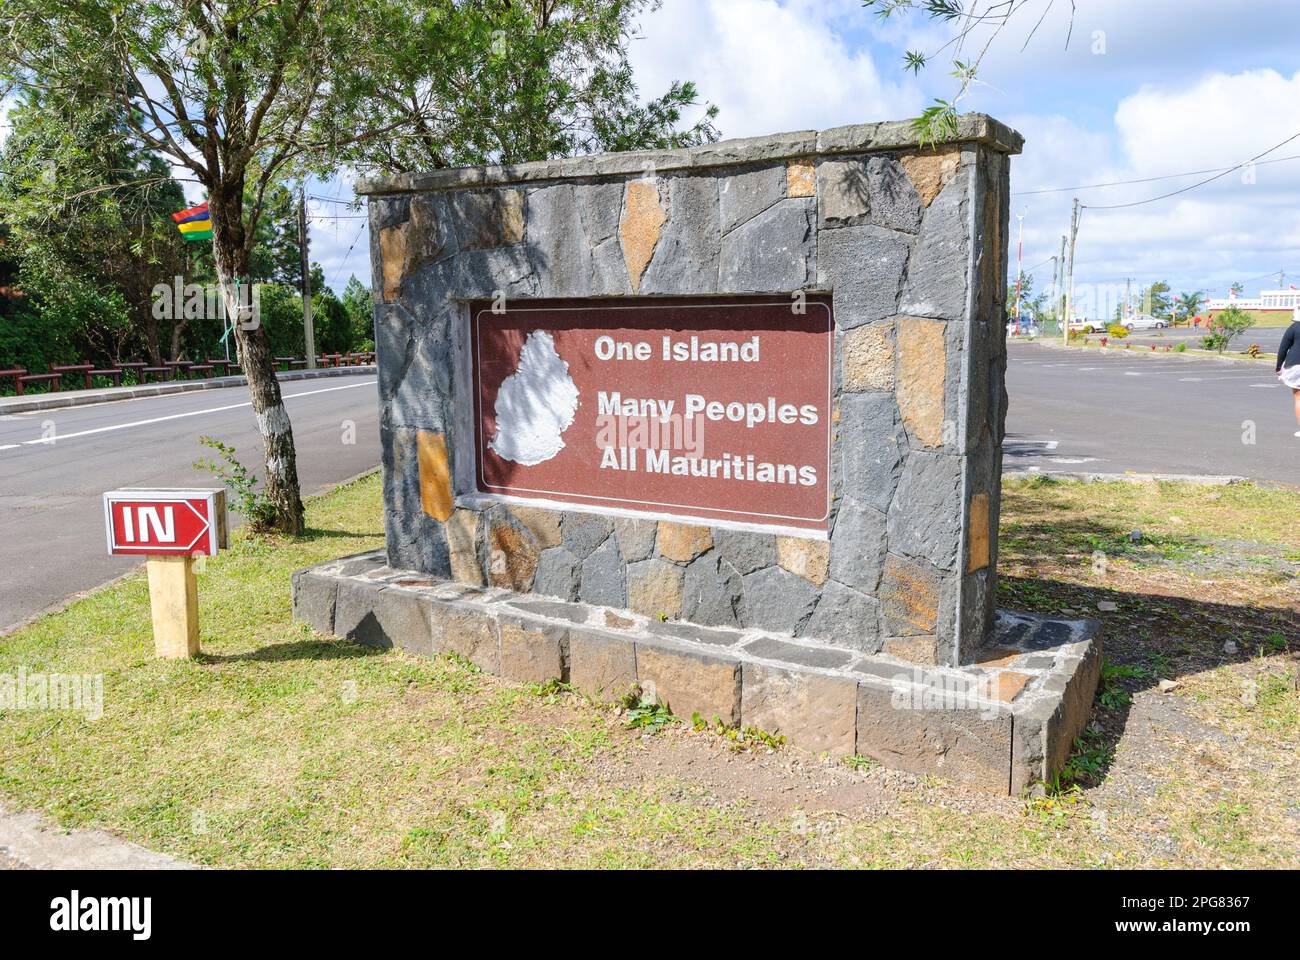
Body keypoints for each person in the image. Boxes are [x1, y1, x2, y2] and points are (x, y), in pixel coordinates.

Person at [1278, 308, 1300, 437]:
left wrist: (1278, 367)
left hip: (1295, 365)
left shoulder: (1293, 328)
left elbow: (1283, 349)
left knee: (1298, 398)